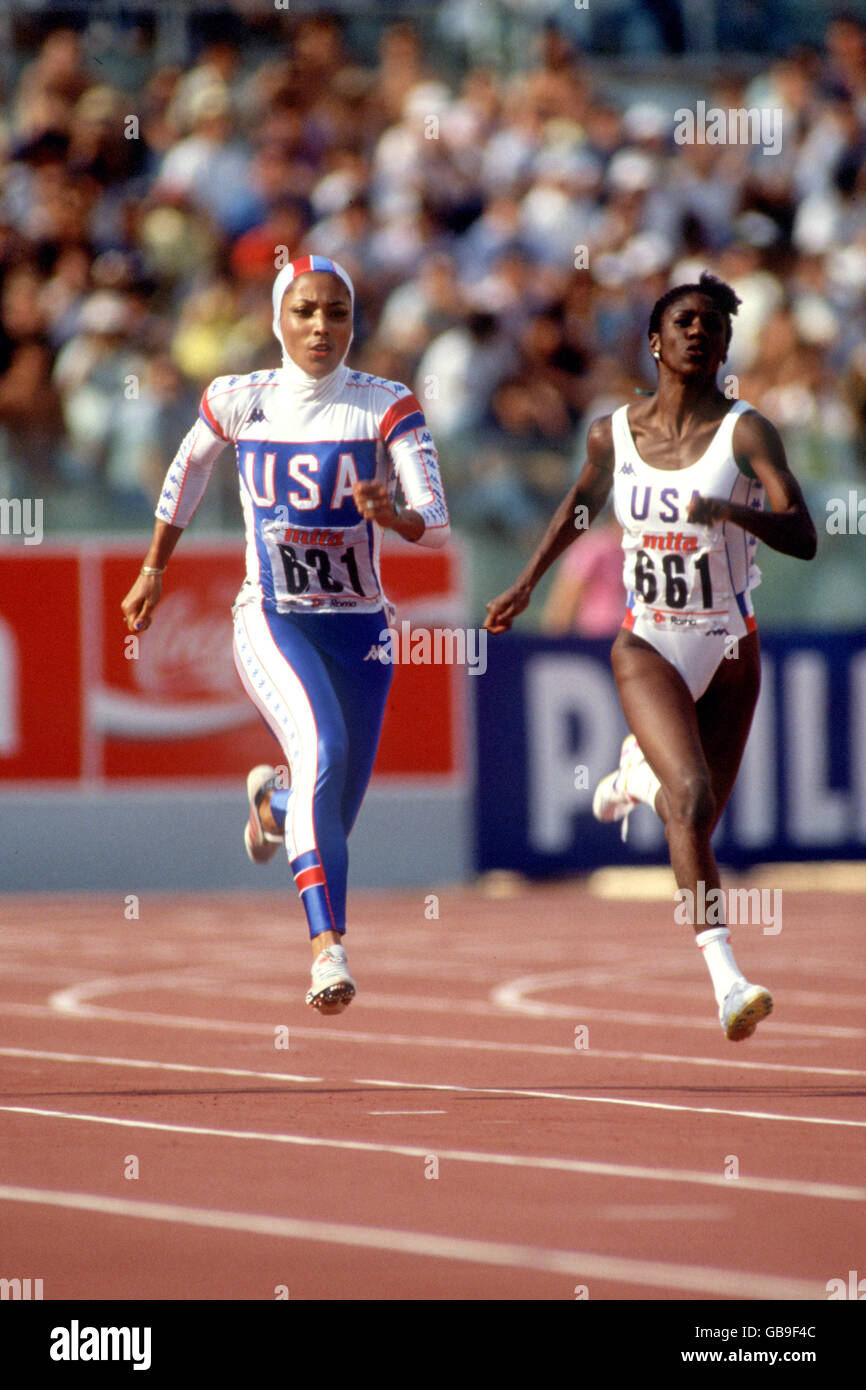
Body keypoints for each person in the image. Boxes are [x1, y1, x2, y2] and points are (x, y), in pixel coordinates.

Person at [483, 272, 817, 1042]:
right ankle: (728, 980)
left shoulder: (746, 432)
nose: (699, 332)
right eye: (684, 321)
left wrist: (731, 509)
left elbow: (803, 533)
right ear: (655, 342)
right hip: (649, 641)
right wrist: (528, 581)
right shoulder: (613, 432)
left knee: (688, 816)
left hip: (732, 646)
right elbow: (581, 504)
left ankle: (635, 775)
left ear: (726, 346)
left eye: (712, 325)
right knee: (692, 799)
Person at [121, 254, 450, 1013]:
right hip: (272, 619)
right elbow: (187, 472)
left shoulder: (387, 404)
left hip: (363, 634)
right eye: (305, 311)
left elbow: (434, 524)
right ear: (277, 318)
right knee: (325, 754)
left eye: (337, 312)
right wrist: (155, 568)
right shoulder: (237, 399)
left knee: (327, 809)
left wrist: (390, 514)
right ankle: (326, 954)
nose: (321, 327)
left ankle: (271, 802)